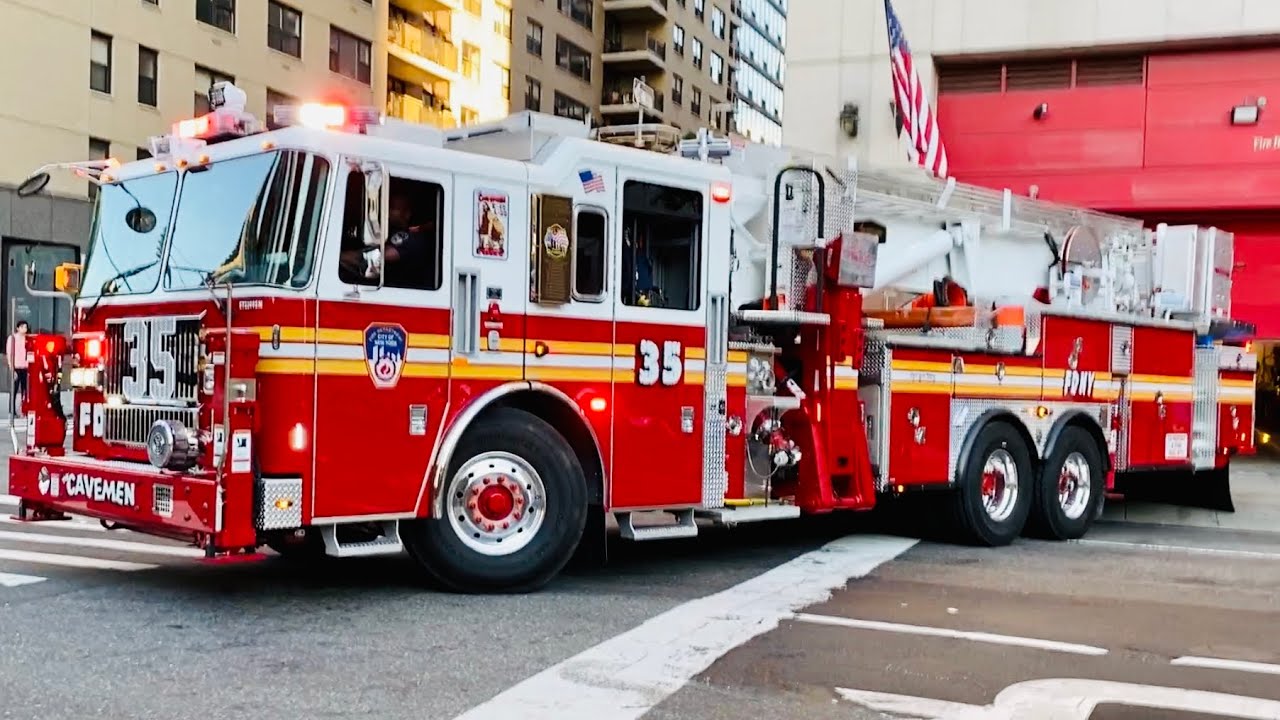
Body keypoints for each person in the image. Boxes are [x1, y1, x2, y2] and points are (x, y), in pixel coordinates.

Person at [7, 320, 29, 416]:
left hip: (26, 367)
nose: (25, 329)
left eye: (26, 327)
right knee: (14, 389)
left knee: (25, 390)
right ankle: (12, 411)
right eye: (23, 327)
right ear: (18, 328)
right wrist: (11, 368)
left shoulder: (27, 338)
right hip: (16, 367)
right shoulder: (12, 338)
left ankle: (24, 410)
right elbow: (9, 354)